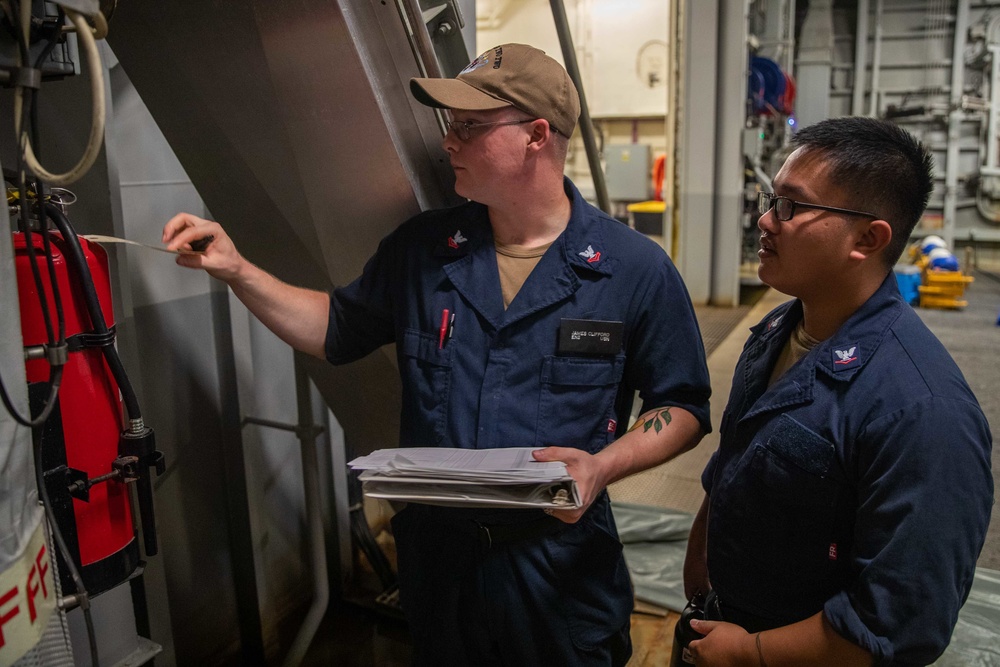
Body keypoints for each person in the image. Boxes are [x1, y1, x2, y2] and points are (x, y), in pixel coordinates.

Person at [163, 43, 712, 666]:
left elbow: (683, 406)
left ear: (537, 135)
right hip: (440, 567)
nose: (449, 141)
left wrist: (602, 467)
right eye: (452, 125)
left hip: (557, 570)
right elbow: (337, 328)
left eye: (470, 127)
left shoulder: (631, 269)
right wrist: (238, 270)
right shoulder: (423, 250)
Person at [683, 116, 994, 666]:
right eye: (770, 198)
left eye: (791, 207)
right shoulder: (779, 331)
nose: (765, 221)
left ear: (868, 239)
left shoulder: (921, 411)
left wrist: (750, 652)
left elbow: (896, 624)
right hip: (722, 621)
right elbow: (736, 461)